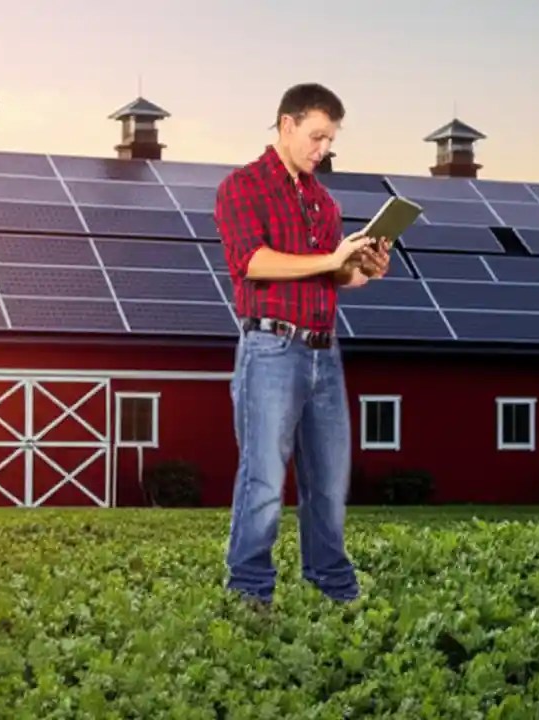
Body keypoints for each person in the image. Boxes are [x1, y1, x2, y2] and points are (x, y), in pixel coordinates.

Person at [214, 82, 390, 610]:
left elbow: (326, 276)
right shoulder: (242, 187)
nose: (322, 149)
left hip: (324, 353)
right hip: (271, 349)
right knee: (265, 477)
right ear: (286, 126)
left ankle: (333, 587)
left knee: (330, 481)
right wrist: (330, 259)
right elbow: (255, 261)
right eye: (315, 137)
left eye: (329, 141)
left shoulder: (323, 201)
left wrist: (358, 269)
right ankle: (250, 592)